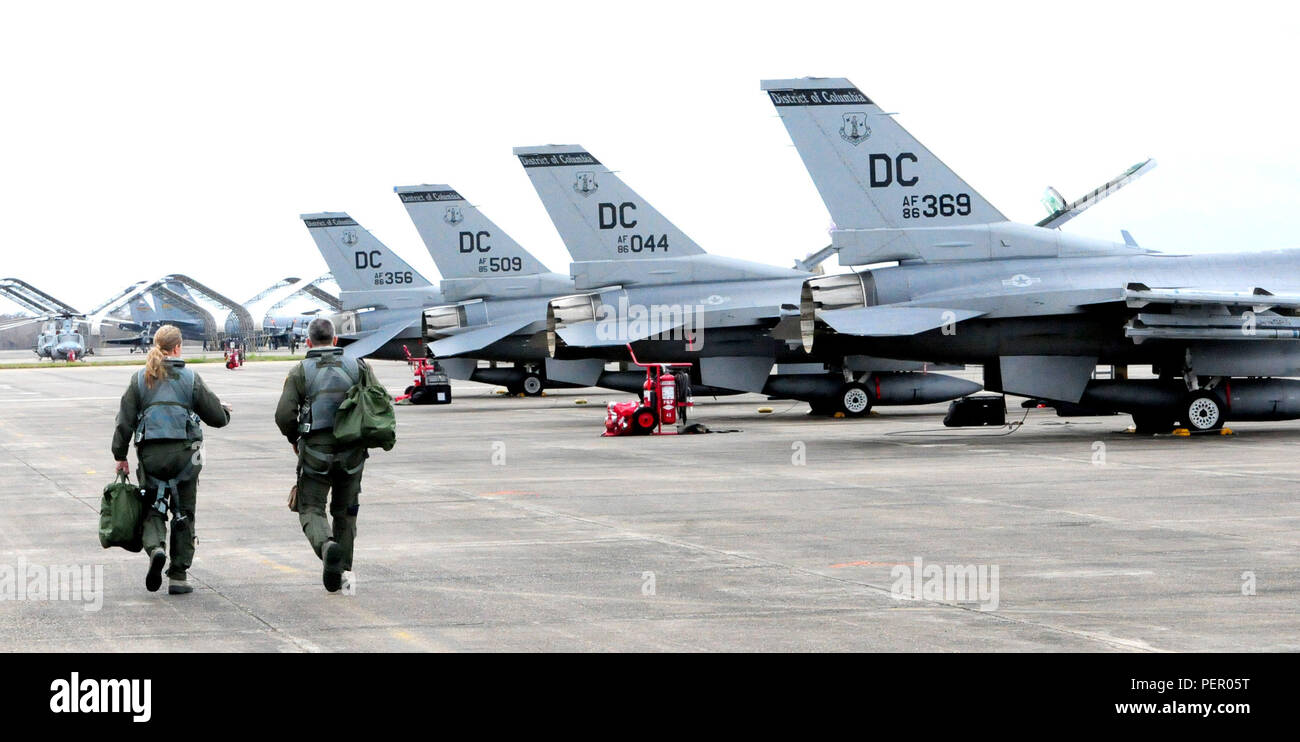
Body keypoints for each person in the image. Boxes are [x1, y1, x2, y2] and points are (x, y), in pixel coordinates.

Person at [112, 325, 231, 595]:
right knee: (184, 513)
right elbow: (215, 417)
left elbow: (124, 423)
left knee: (153, 509)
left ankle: (155, 549)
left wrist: (120, 456)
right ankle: (178, 576)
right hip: (186, 458)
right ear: (177, 348)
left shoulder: (139, 379)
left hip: (151, 456)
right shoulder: (190, 378)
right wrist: (224, 412)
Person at [274, 317, 368, 593]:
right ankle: (343, 575)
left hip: (316, 451)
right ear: (335, 340)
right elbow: (377, 403)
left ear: (308, 342)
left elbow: (283, 415)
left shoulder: (301, 371)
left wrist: (295, 438)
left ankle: (327, 547)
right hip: (352, 453)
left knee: (311, 508)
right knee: (346, 513)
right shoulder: (358, 366)